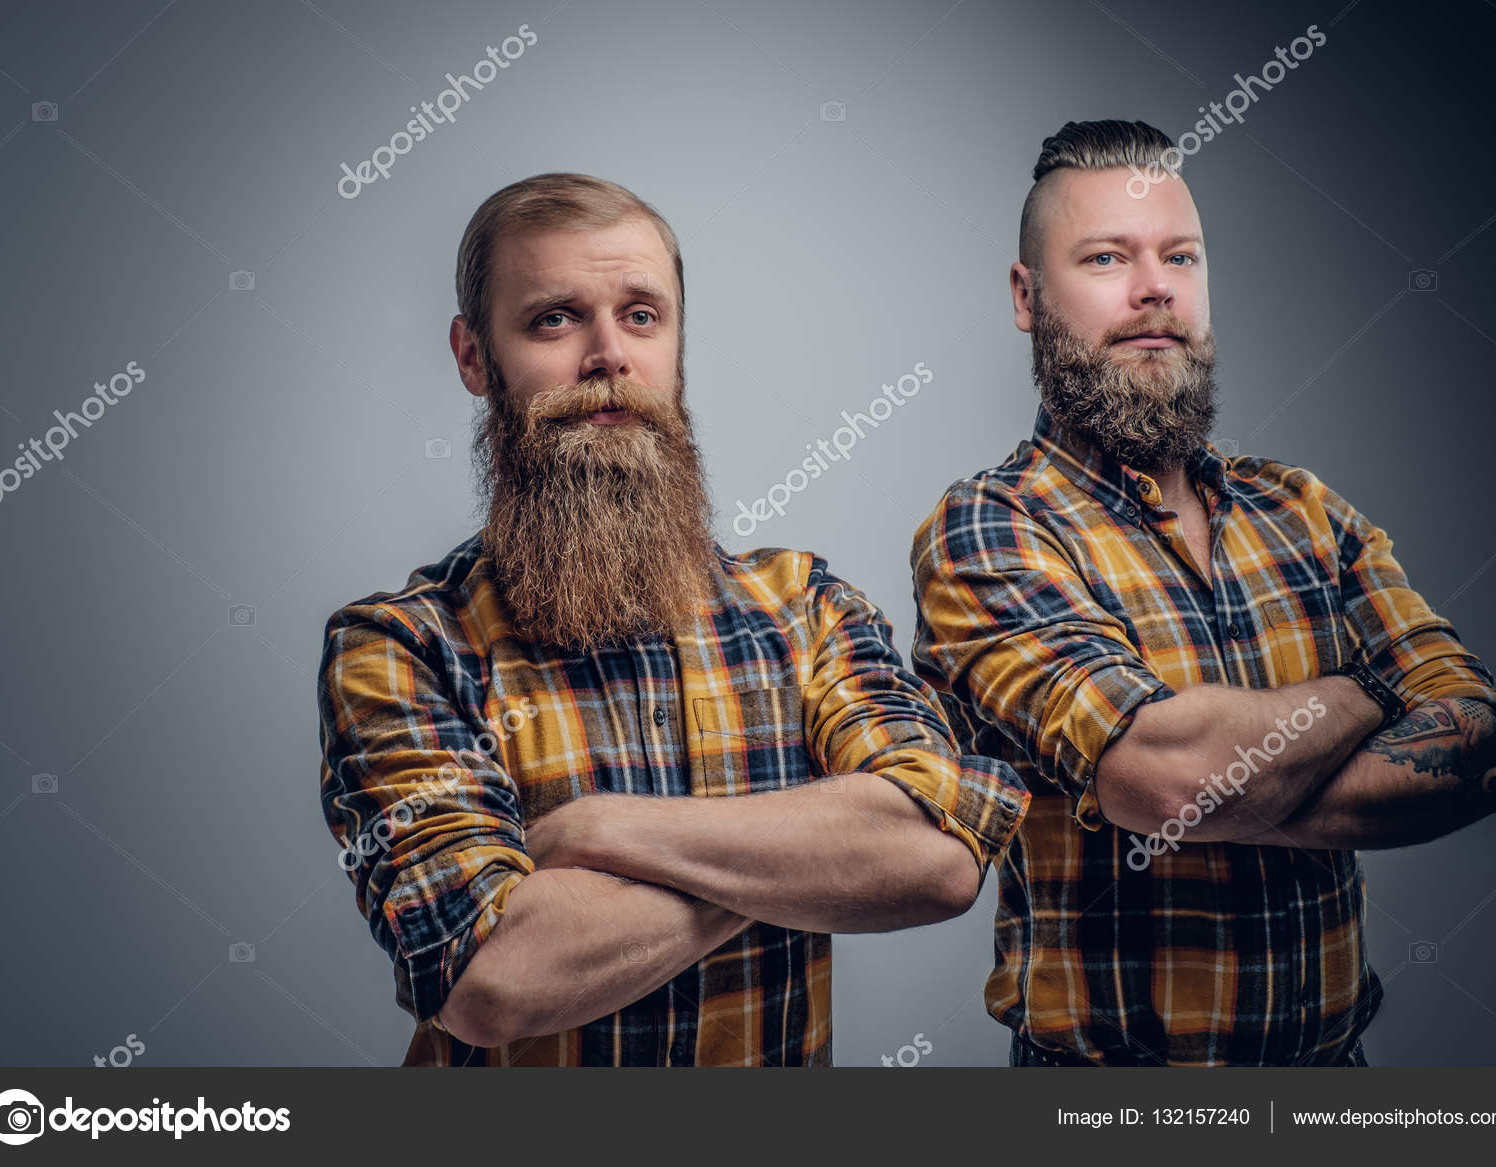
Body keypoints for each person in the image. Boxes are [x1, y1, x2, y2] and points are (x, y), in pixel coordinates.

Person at [318, 173, 1028, 1066]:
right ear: (472, 356)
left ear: (677, 345)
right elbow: (492, 977)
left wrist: (599, 832)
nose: (608, 354)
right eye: (554, 319)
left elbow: (938, 858)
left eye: (642, 315)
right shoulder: (401, 649)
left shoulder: (806, 608)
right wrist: (806, 862)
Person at [910, 121, 1496, 1066]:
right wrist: (1373, 691)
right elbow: (1170, 778)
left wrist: (1221, 787)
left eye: (1180, 256)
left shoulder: (1304, 509)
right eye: (1108, 256)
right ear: (1027, 297)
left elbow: (1482, 750)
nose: (1155, 286)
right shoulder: (989, 530)